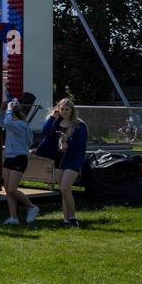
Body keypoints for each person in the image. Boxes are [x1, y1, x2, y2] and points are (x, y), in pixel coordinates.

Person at [36, 98, 88, 228]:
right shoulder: (56, 121)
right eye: (62, 109)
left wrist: (68, 139)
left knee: (65, 188)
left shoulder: (79, 125)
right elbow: (45, 132)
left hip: (73, 158)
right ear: (58, 109)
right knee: (64, 190)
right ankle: (66, 220)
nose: (64, 112)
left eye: (67, 109)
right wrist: (51, 118)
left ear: (72, 110)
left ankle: (73, 217)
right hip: (58, 158)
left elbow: (81, 144)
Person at [0, 95, 40, 225]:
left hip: (19, 158)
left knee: (12, 189)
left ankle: (32, 207)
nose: (7, 117)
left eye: (9, 114)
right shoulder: (11, 124)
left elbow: (7, 122)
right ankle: (13, 217)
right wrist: (1, 110)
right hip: (9, 158)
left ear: (14, 113)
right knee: (7, 187)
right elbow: (1, 123)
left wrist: (9, 108)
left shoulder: (21, 124)